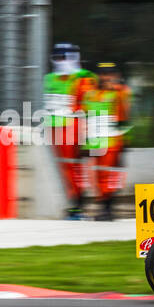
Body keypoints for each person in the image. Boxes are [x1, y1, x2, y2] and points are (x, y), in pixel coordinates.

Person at [44, 42, 96, 219]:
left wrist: (89, 136)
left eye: (63, 57)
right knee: (58, 169)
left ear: (73, 58)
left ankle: (77, 206)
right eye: (56, 57)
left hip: (73, 129)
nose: (59, 61)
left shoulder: (84, 78)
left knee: (74, 169)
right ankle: (69, 204)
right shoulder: (49, 78)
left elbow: (91, 108)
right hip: (51, 129)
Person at [81, 62, 131, 221]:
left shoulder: (120, 93)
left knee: (111, 177)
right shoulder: (90, 95)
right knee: (96, 176)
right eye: (102, 74)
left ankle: (108, 207)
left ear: (115, 75)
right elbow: (84, 117)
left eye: (109, 73)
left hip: (112, 142)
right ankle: (103, 206)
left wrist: (125, 142)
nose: (105, 77)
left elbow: (125, 118)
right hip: (94, 142)